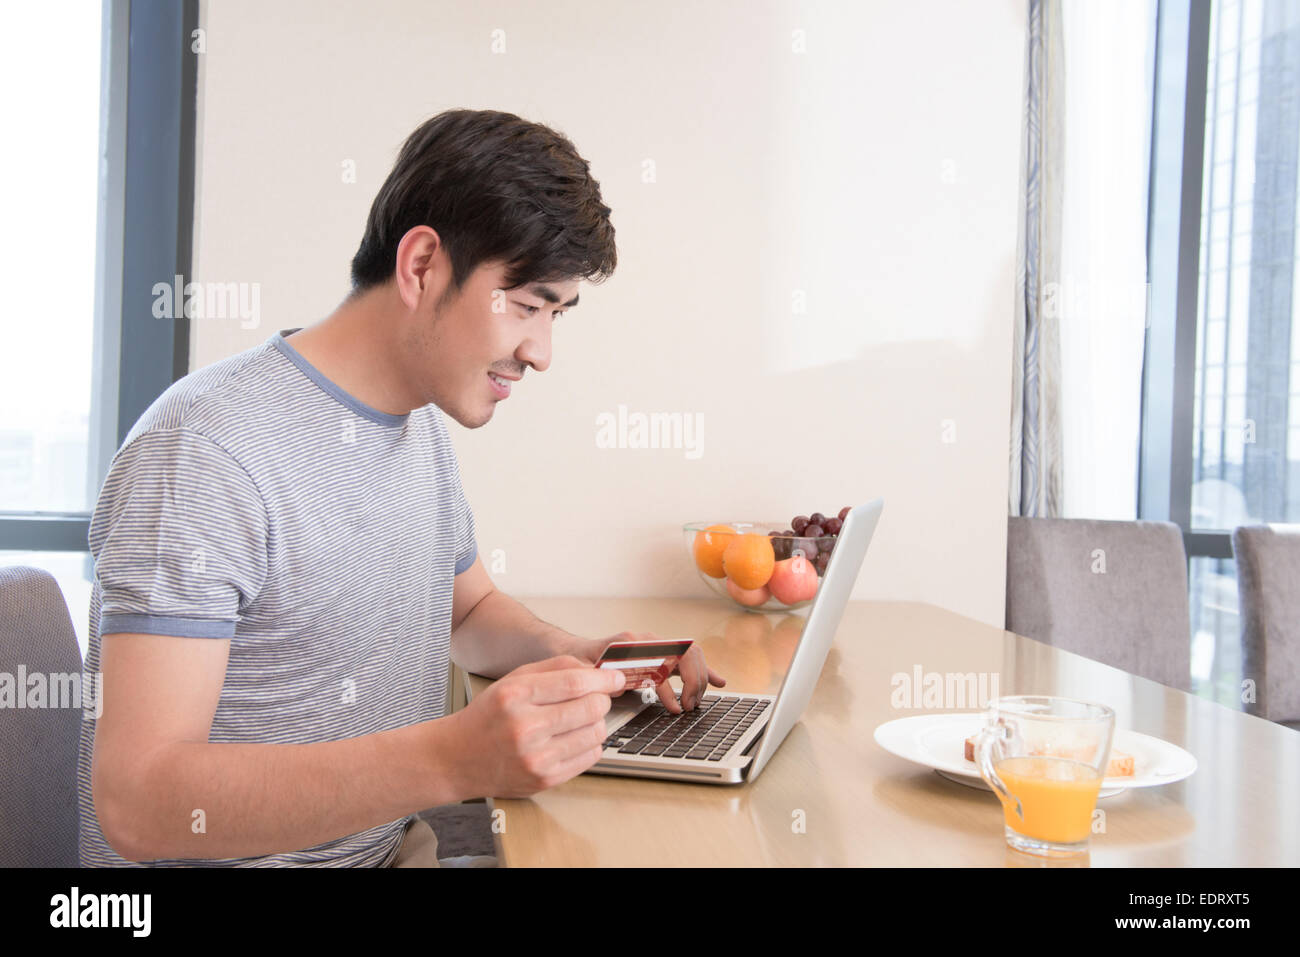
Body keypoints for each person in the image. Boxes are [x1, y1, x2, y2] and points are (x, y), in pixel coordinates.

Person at [80, 108, 724, 867]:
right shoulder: (203, 452)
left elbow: (473, 610)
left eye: (557, 313)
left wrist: (583, 657)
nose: (541, 351)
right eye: (526, 305)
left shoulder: (417, 426)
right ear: (421, 266)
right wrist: (453, 759)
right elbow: (139, 800)